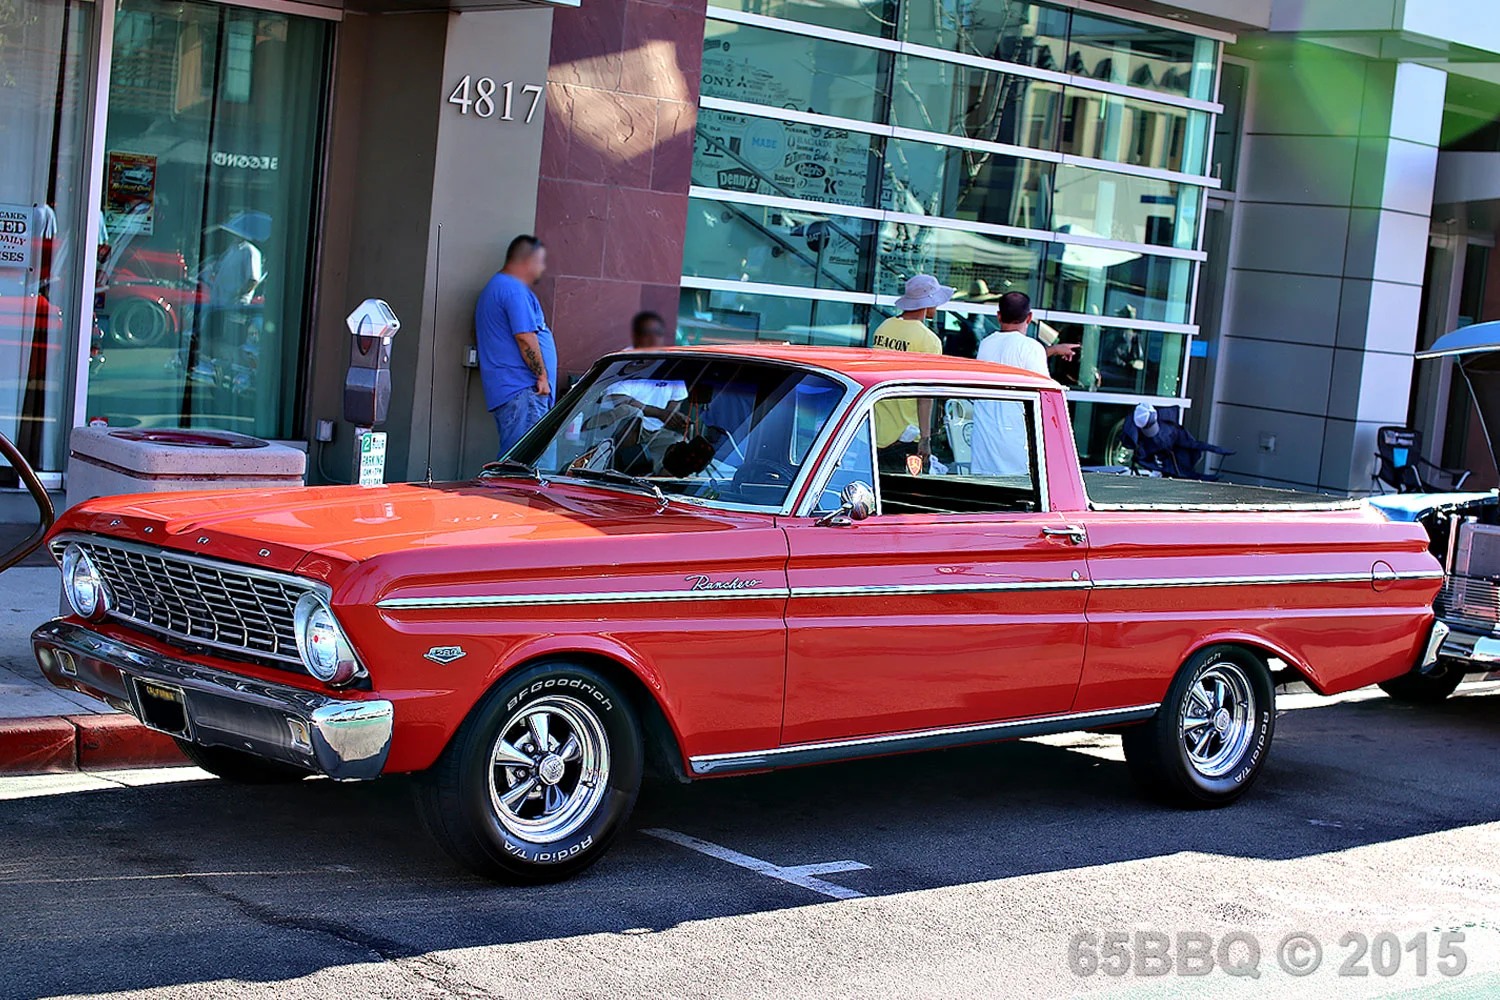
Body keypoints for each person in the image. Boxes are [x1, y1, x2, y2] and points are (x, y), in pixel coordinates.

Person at [477, 235, 556, 458]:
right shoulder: (513, 290)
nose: (542, 268)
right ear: (527, 261)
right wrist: (542, 377)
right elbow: (524, 336)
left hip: (515, 392)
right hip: (526, 392)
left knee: (518, 463)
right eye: (540, 262)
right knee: (530, 466)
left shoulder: (498, 287)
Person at [871, 274, 951, 473]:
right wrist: (925, 439)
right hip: (907, 435)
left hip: (877, 428)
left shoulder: (884, 327)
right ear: (928, 303)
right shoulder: (929, 340)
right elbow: (925, 395)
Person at [971, 291, 1049, 477]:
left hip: (984, 440)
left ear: (999, 316)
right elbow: (1044, 395)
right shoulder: (1031, 348)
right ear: (1029, 317)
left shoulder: (986, 344)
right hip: (1016, 440)